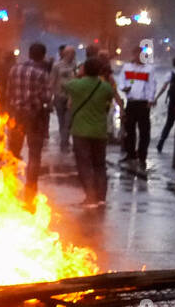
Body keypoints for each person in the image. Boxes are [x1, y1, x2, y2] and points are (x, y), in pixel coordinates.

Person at [63, 56, 120, 208]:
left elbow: (66, 86)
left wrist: (79, 75)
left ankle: (90, 196)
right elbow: (111, 97)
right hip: (100, 132)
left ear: (85, 70)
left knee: (84, 165)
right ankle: (101, 197)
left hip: (81, 131)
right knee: (100, 165)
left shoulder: (76, 85)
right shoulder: (105, 87)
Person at [6, 42, 52, 200]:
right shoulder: (42, 74)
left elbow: (9, 92)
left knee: (14, 151)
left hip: (16, 115)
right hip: (34, 116)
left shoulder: (15, 69)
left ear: (29, 53)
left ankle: (9, 182)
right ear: (43, 56)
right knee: (34, 154)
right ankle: (31, 186)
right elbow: (46, 97)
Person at [117, 45, 157, 168]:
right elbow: (121, 81)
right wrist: (124, 88)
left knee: (144, 131)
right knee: (130, 130)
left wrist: (150, 99)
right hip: (131, 102)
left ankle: (142, 155)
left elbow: (152, 85)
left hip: (143, 103)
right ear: (133, 55)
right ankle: (130, 154)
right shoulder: (127, 67)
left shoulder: (149, 69)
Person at [50, 45, 77, 152]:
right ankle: (64, 142)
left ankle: (65, 141)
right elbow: (52, 80)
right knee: (62, 121)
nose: (72, 56)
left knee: (68, 120)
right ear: (65, 54)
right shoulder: (57, 66)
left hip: (71, 96)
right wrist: (51, 97)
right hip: (59, 96)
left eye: (74, 53)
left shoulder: (75, 65)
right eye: (71, 53)